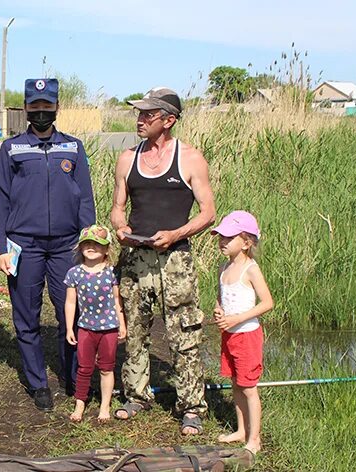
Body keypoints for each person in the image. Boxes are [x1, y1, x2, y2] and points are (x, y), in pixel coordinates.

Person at [110, 87, 216, 435]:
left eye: (148, 115)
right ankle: (136, 395)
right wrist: (120, 228)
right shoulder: (127, 158)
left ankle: (191, 406)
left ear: (169, 120)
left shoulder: (190, 158)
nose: (140, 120)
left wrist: (175, 234)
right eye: (138, 114)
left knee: (184, 331)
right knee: (136, 329)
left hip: (175, 260)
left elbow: (208, 213)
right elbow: (117, 207)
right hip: (135, 257)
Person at [0, 78, 95, 411]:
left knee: (72, 313)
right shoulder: (11, 148)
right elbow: (1, 202)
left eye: (46, 106)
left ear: (56, 108)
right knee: (27, 315)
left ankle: (72, 377)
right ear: (25, 108)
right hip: (25, 245)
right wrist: (2, 248)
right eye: (34, 106)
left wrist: (88, 245)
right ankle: (38, 383)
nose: (40, 112)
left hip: (67, 245)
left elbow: (85, 201)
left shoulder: (73, 147)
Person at [211, 211, 273, 455]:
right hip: (230, 335)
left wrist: (237, 318)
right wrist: (218, 310)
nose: (222, 242)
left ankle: (254, 439)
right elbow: (221, 297)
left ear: (246, 242)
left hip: (247, 336)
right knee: (236, 383)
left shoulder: (250, 269)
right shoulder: (223, 267)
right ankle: (241, 430)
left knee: (249, 387)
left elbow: (267, 302)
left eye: (229, 237)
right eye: (220, 237)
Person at [64, 225, 126, 422]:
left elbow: (117, 301)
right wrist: (69, 328)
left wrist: (122, 324)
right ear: (80, 247)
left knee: (107, 368)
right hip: (85, 328)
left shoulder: (111, 273)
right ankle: (79, 404)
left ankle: (105, 406)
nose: (91, 247)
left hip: (109, 329)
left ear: (107, 249)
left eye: (97, 244)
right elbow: (70, 302)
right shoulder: (74, 273)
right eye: (87, 244)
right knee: (84, 368)